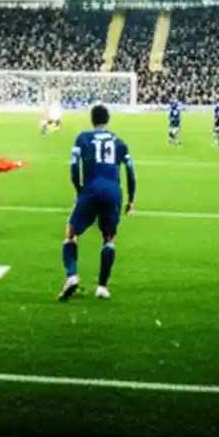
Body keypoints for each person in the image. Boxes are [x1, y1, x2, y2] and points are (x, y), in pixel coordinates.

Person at [58, 104, 136, 301]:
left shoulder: (83, 137)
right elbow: (130, 172)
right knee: (109, 238)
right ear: (108, 120)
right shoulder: (119, 142)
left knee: (71, 233)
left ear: (91, 119)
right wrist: (131, 200)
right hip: (113, 191)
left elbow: (74, 166)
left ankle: (72, 277)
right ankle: (102, 287)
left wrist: (79, 189)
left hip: (91, 189)